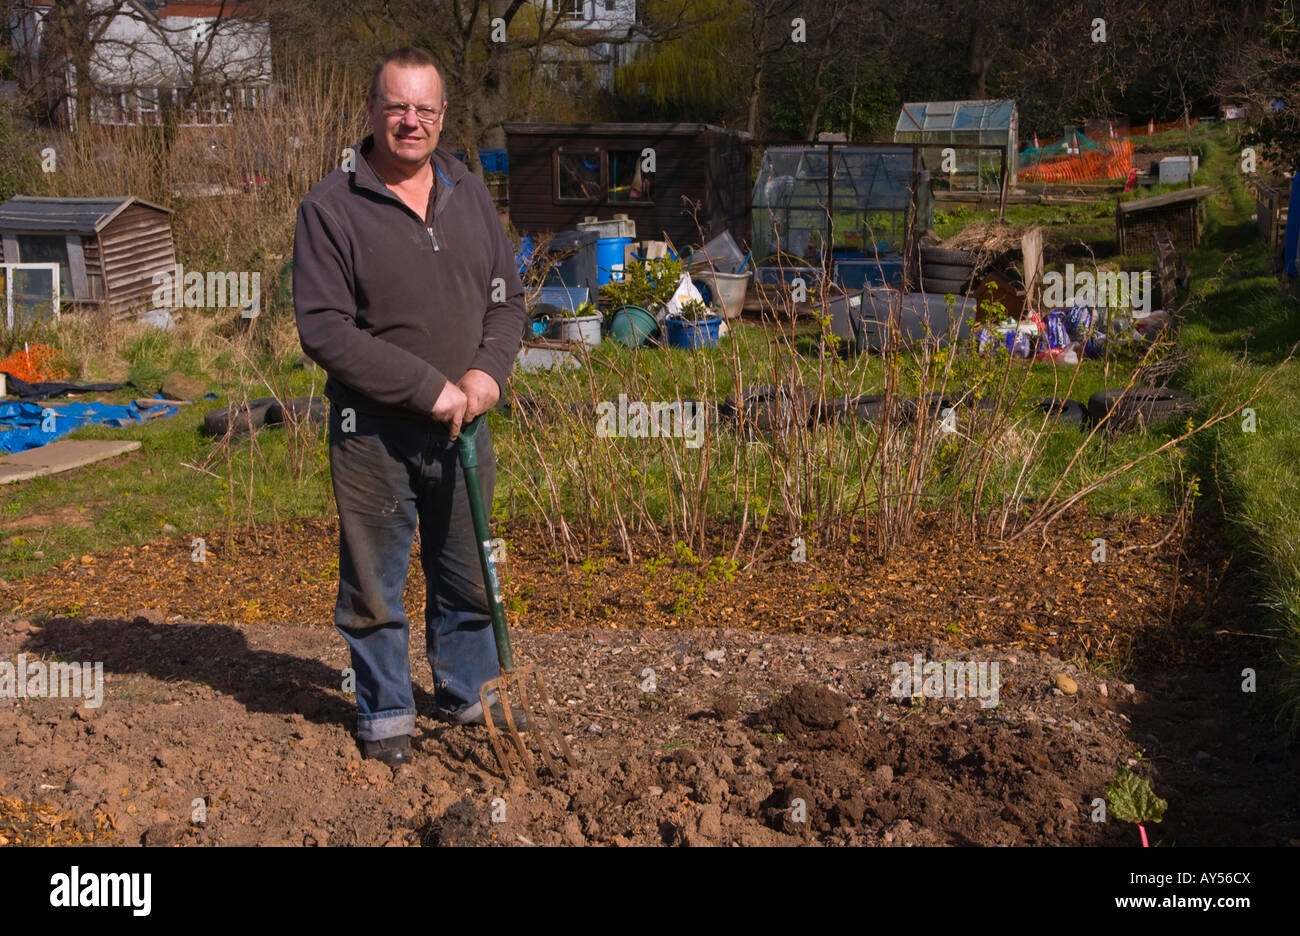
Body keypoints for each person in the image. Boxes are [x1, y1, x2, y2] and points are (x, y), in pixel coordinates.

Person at [293, 46, 526, 766]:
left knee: (467, 578)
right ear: (370, 111)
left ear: (443, 116)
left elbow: (506, 298)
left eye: (425, 109)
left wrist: (486, 376)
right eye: (397, 107)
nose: (411, 121)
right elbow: (325, 328)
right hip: (375, 436)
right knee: (374, 587)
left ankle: (466, 694)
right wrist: (427, 387)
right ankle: (387, 713)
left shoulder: (467, 187)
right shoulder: (331, 207)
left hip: (467, 425)